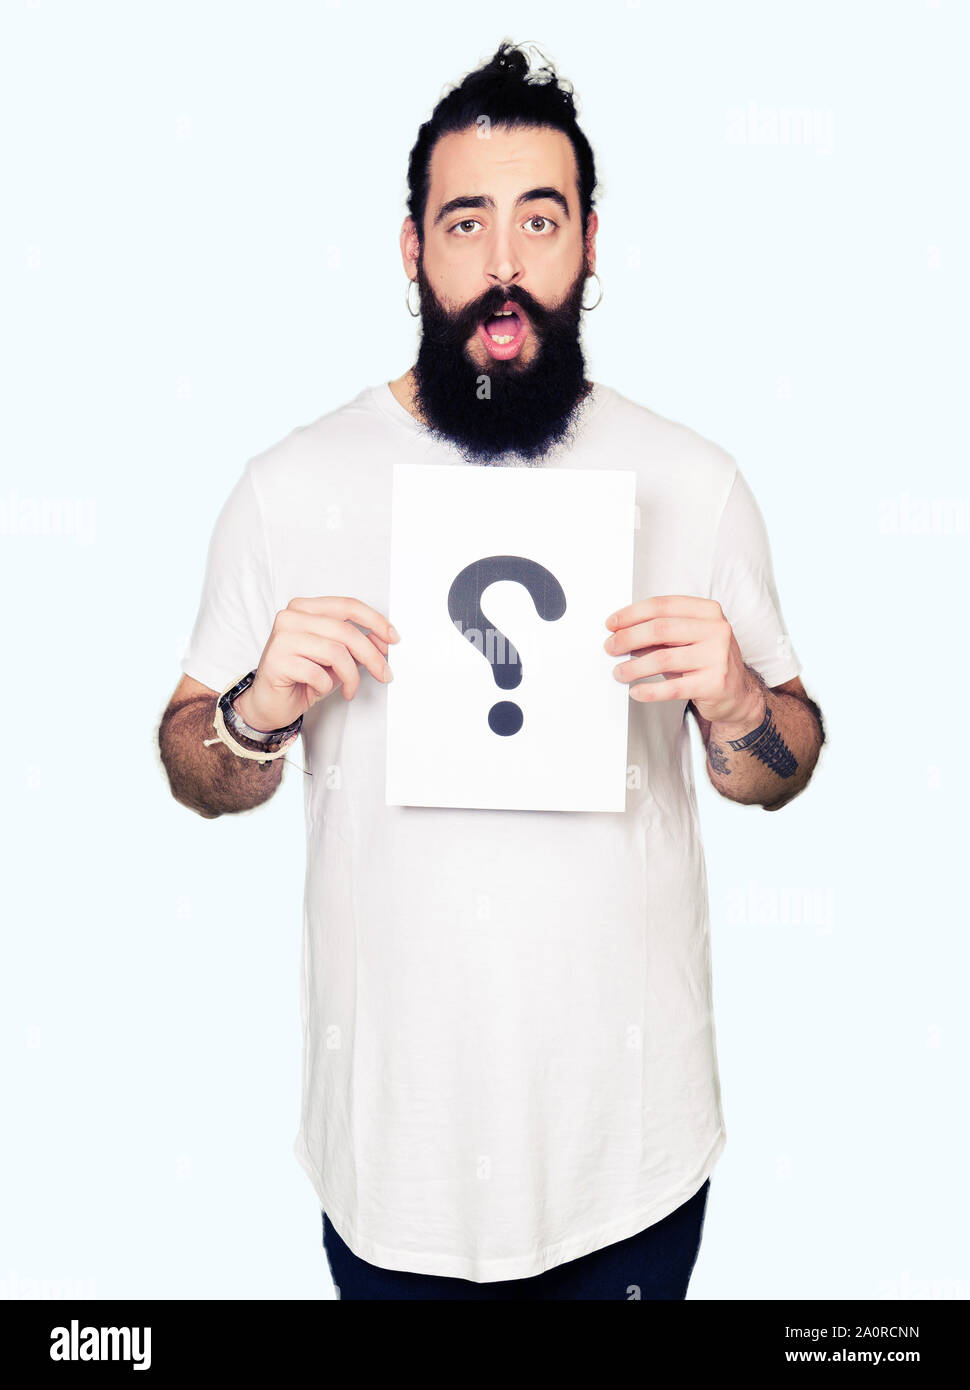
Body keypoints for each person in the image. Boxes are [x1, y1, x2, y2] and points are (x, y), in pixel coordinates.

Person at [157, 40, 825, 1300]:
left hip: (626, 1159)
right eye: (467, 222)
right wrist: (253, 712)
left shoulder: (693, 480)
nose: (504, 265)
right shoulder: (289, 485)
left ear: (589, 243)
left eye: (541, 219)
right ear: (412, 247)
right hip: (389, 1167)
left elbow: (777, 768)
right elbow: (192, 762)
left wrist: (738, 702)